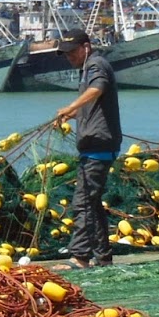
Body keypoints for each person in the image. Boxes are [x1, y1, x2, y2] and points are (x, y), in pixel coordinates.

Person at [52, 29, 120, 268]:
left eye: (72, 52)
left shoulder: (96, 65)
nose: (70, 58)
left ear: (86, 47)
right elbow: (92, 104)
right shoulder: (87, 68)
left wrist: (70, 106)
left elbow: (97, 90)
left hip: (99, 145)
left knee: (82, 202)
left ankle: (80, 256)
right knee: (92, 202)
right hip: (94, 145)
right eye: (66, 55)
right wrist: (70, 114)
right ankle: (103, 256)